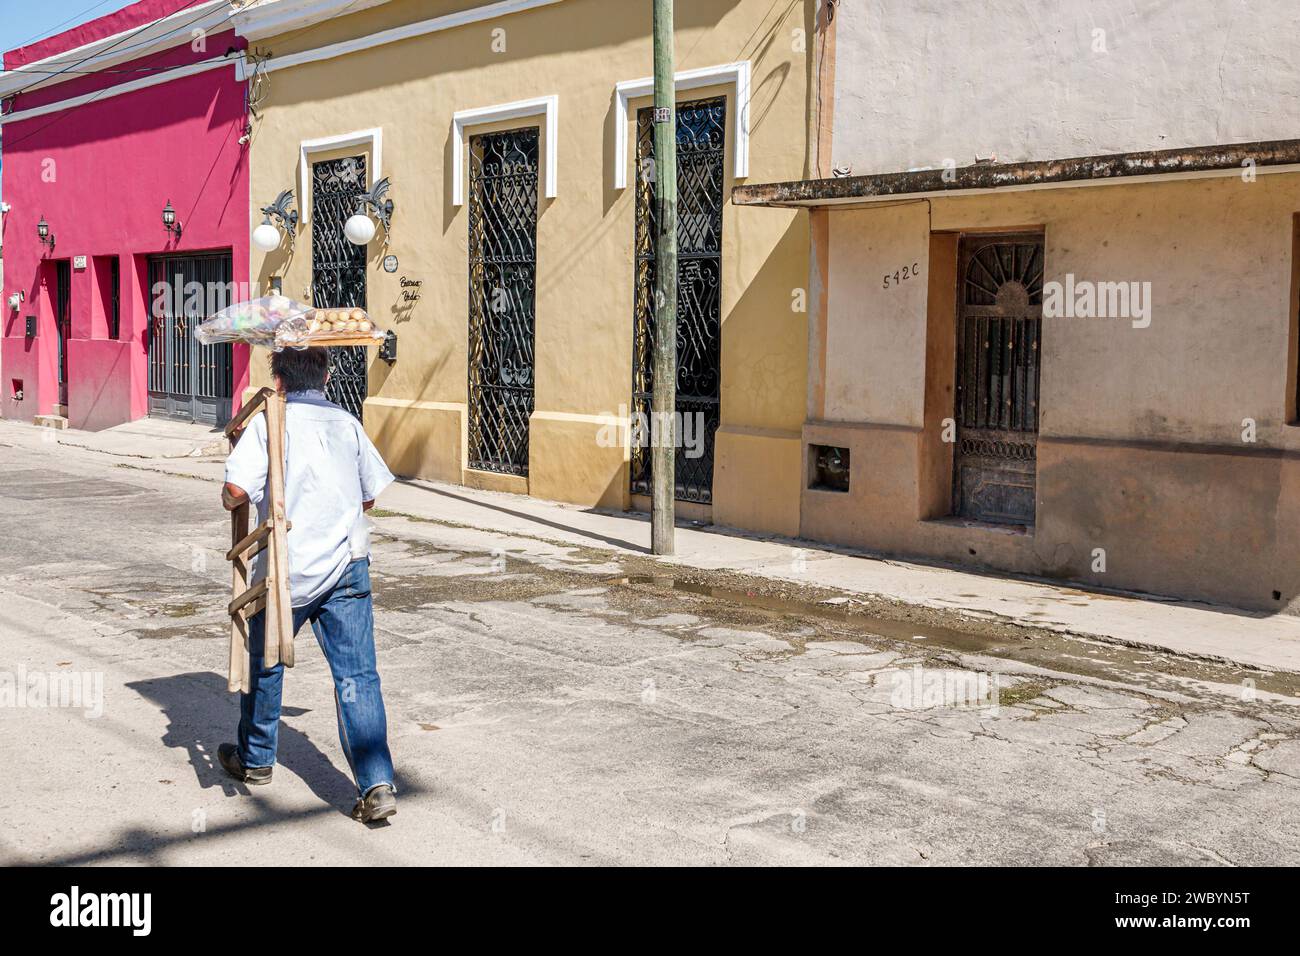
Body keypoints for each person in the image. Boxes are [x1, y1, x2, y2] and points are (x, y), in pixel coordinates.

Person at [218, 347, 398, 824]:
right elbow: (369, 496)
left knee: (266, 663)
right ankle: (377, 783)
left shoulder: (265, 425)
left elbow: (235, 494)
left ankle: (256, 761)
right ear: (325, 376)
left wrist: (236, 457)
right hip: (346, 566)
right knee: (358, 678)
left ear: (278, 379)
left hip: (286, 570)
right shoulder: (346, 423)